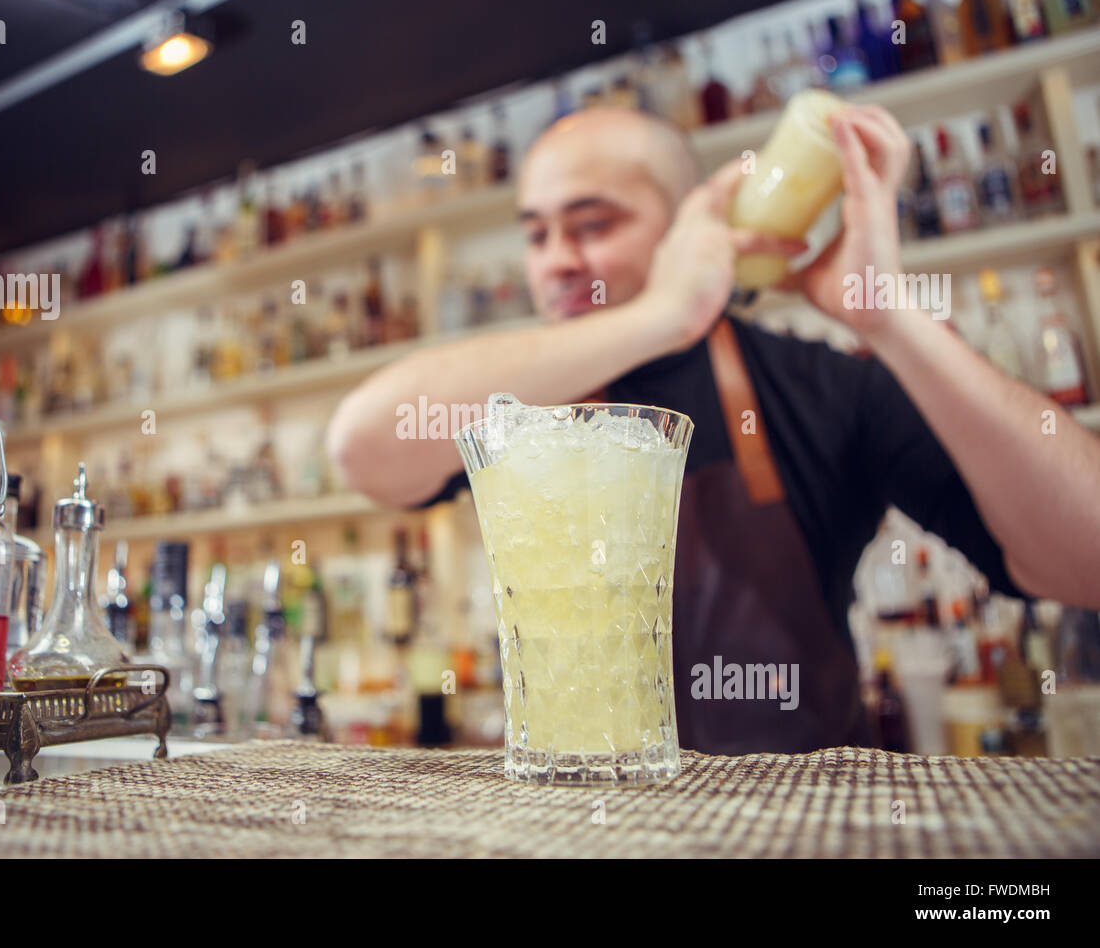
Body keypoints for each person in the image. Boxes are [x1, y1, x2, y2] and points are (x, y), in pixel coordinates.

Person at [325, 105, 1100, 754]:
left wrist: (890, 317)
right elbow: (362, 450)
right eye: (536, 235)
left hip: (805, 828)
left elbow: (1086, 562)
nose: (558, 261)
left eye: (592, 224)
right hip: (583, 826)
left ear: (694, 223)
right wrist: (661, 317)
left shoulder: (821, 385)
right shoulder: (528, 411)